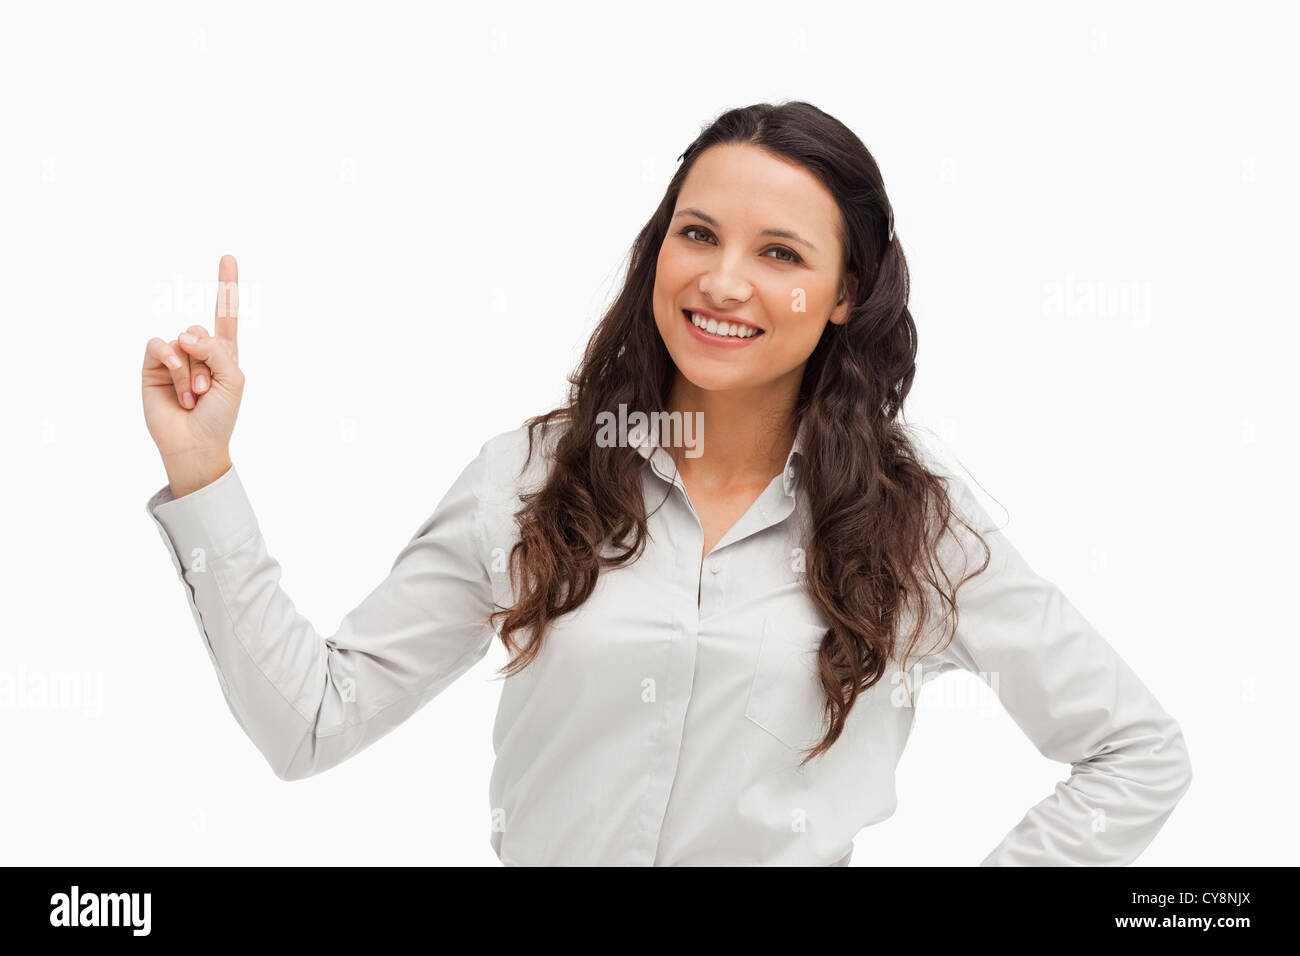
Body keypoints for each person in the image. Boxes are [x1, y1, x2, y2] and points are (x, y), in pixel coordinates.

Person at [141, 101, 1192, 866]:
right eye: (697, 233)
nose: (723, 281)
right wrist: (203, 472)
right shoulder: (530, 476)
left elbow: (1133, 748)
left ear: (843, 295)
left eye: (781, 252)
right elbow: (313, 722)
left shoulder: (912, 528)